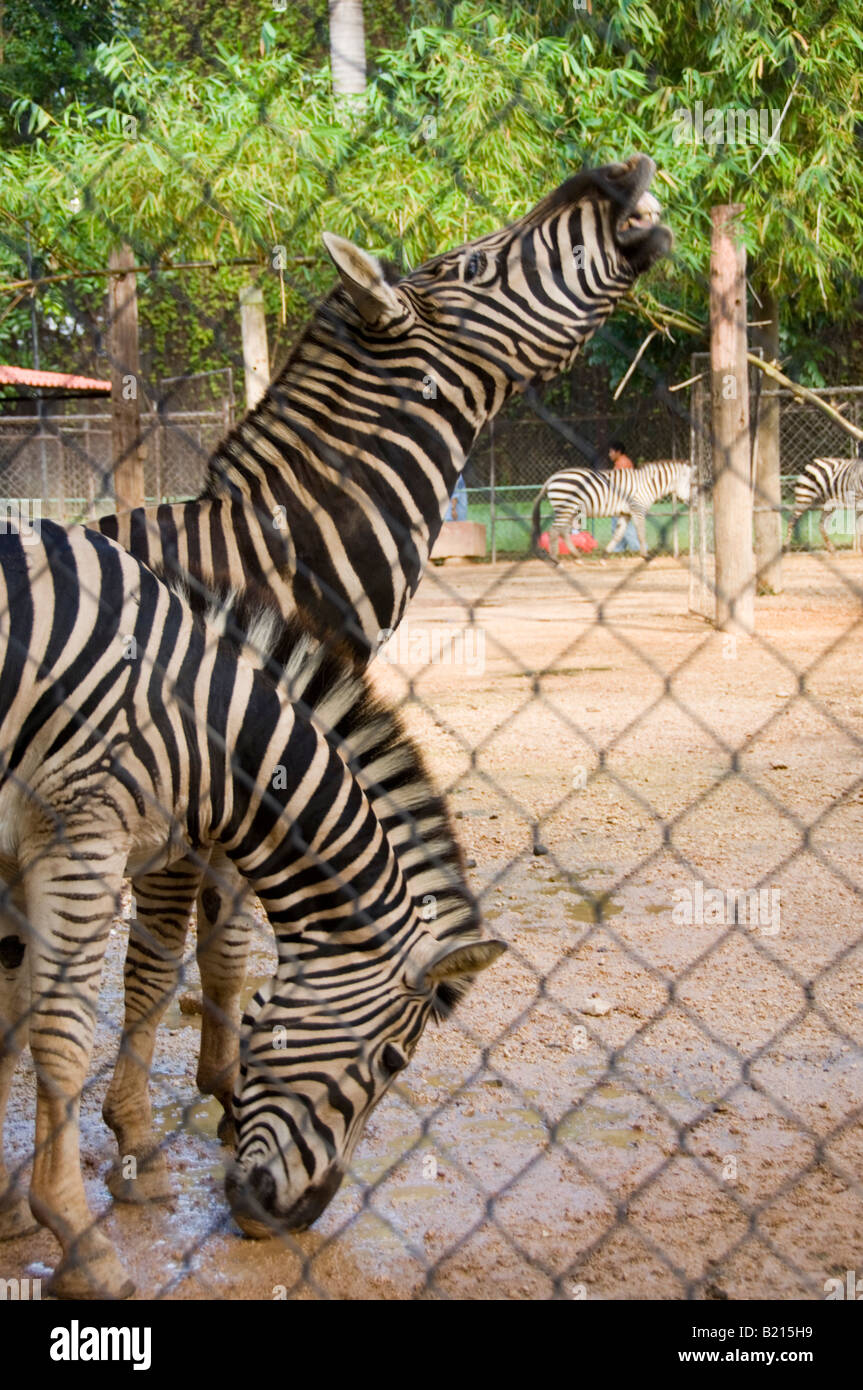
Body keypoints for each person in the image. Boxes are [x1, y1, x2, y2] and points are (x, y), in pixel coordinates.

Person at [607, 439, 640, 553]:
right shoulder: (620, 462)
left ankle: (638, 548)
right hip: (620, 499)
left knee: (625, 526)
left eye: (611, 452)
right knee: (617, 525)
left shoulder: (623, 463)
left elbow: (618, 482)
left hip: (622, 499)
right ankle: (618, 549)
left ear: (618, 452)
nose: (609, 454)